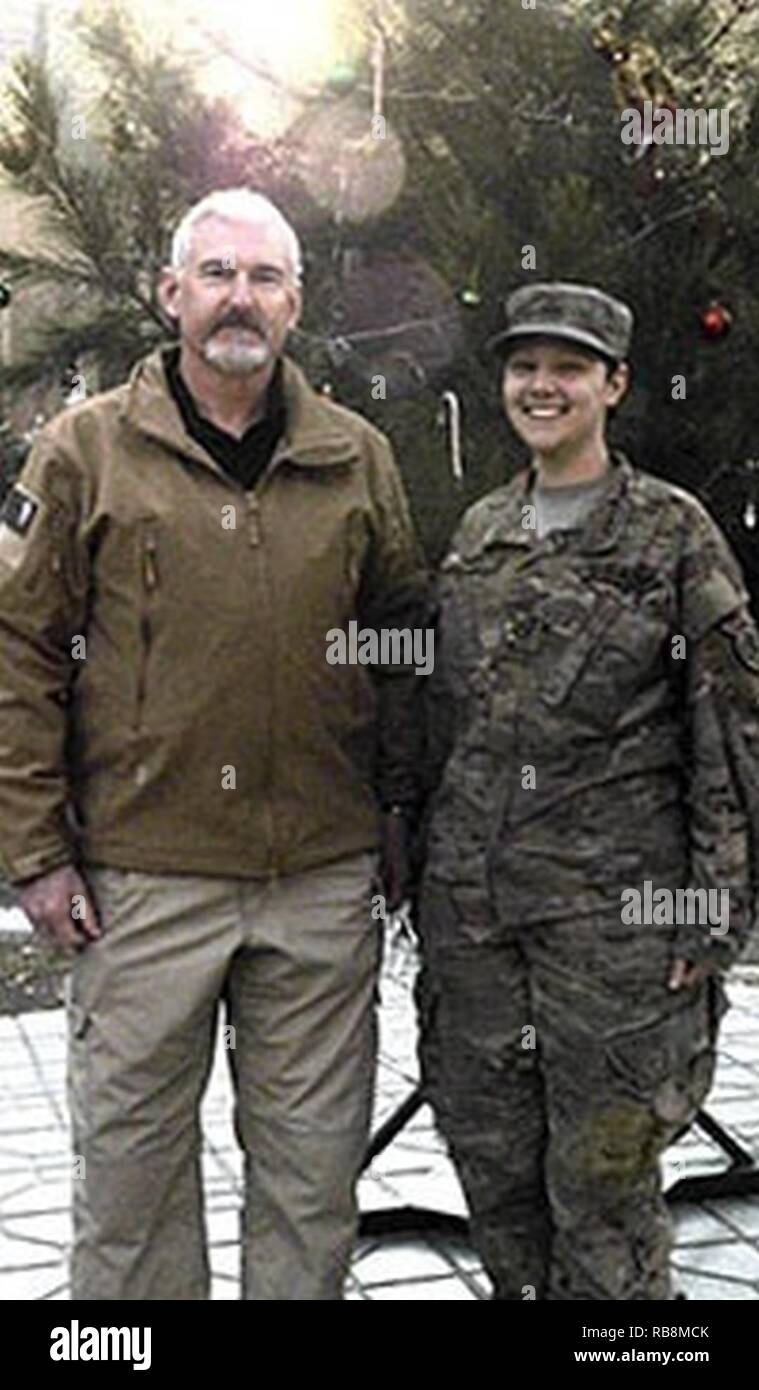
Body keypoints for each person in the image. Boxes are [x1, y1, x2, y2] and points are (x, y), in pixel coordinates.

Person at [0, 189, 430, 1301]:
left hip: (320, 886)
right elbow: (19, 652)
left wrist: (396, 818)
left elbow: (404, 646)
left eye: (267, 277)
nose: (242, 297)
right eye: (219, 273)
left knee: (312, 1184)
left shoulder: (356, 456)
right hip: (142, 882)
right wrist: (36, 851)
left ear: (295, 303)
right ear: (172, 293)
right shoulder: (82, 452)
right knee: (131, 1192)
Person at [415, 281, 759, 1301]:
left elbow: (731, 731)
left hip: (617, 934)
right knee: (494, 1168)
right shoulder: (479, 536)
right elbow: (444, 730)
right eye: (525, 366)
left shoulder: (669, 534)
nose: (542, 385)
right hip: (477, 927)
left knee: (601, 1184)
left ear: (613, 384)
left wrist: (711, 912)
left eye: (568, 367)